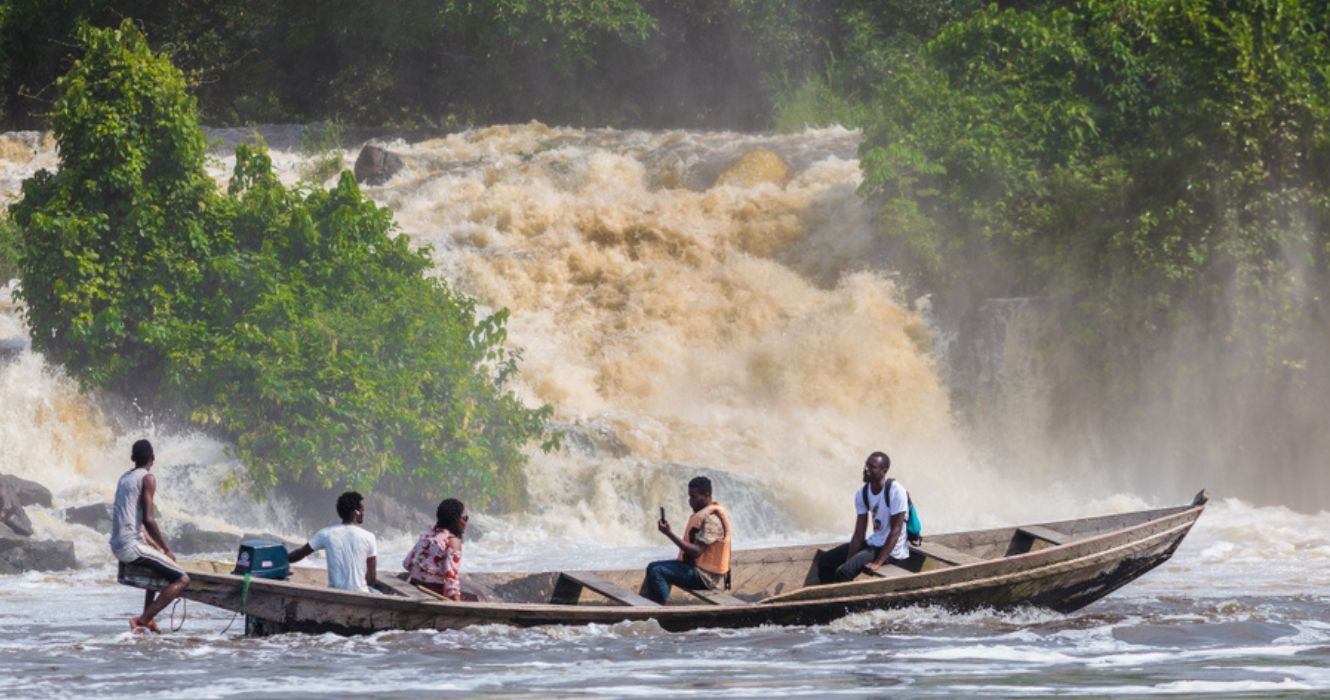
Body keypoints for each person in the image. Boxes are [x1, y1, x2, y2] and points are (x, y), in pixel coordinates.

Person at [109, 439, 191, 634]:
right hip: (130, 546)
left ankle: (149, 617)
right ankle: (142, 620)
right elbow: (148, 519)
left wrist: (154, 545)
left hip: (117, 544)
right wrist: (167, 549)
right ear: (152, 458)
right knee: (183, 579)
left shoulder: (124, 478)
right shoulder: (147, 478)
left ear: (132, 458)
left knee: (156, 561)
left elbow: (132, 518)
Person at [817, 451, 910, 583]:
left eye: (872, 467)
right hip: (874, 543)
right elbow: (859, 533)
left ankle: (841, 596)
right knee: (826, 560)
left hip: (892, 550)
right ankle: (827, 593)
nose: (866, 469)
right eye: (866, 465)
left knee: (844, 572)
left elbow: (896, 531)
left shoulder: (896, 491)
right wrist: (849, 560)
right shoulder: (862, 492)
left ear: (884, 471)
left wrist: (878, 562)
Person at [643, 476, 732, 604]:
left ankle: (663, 610)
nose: (690, 501)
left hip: (706, 577)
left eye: (694, 497)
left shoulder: (712, 520)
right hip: (694, 568)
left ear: (706, 495)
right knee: (652, 567)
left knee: (657, 572)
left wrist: (669, 533)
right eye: (689, 497)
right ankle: (653, 605)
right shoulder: (702, 514)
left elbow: (697, 551)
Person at [288, 491, 378, 593]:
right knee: (377, 592)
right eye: (362, 510)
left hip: (335, 594)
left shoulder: (326, 534)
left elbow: (300, 554)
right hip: (361, 594)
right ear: (355, 513)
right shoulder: (369, 537)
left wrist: (282, 559)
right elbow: (371, 578)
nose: (363, 513)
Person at [402, 498, 473, 601]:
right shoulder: (453, 542)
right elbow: (451, 581)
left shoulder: (426, 535)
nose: (466, 523)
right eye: (465, 518)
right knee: (474, 599)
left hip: (414, 587)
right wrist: (458, 603)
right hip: (433, 593)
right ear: (457, 520)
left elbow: (407, 564)